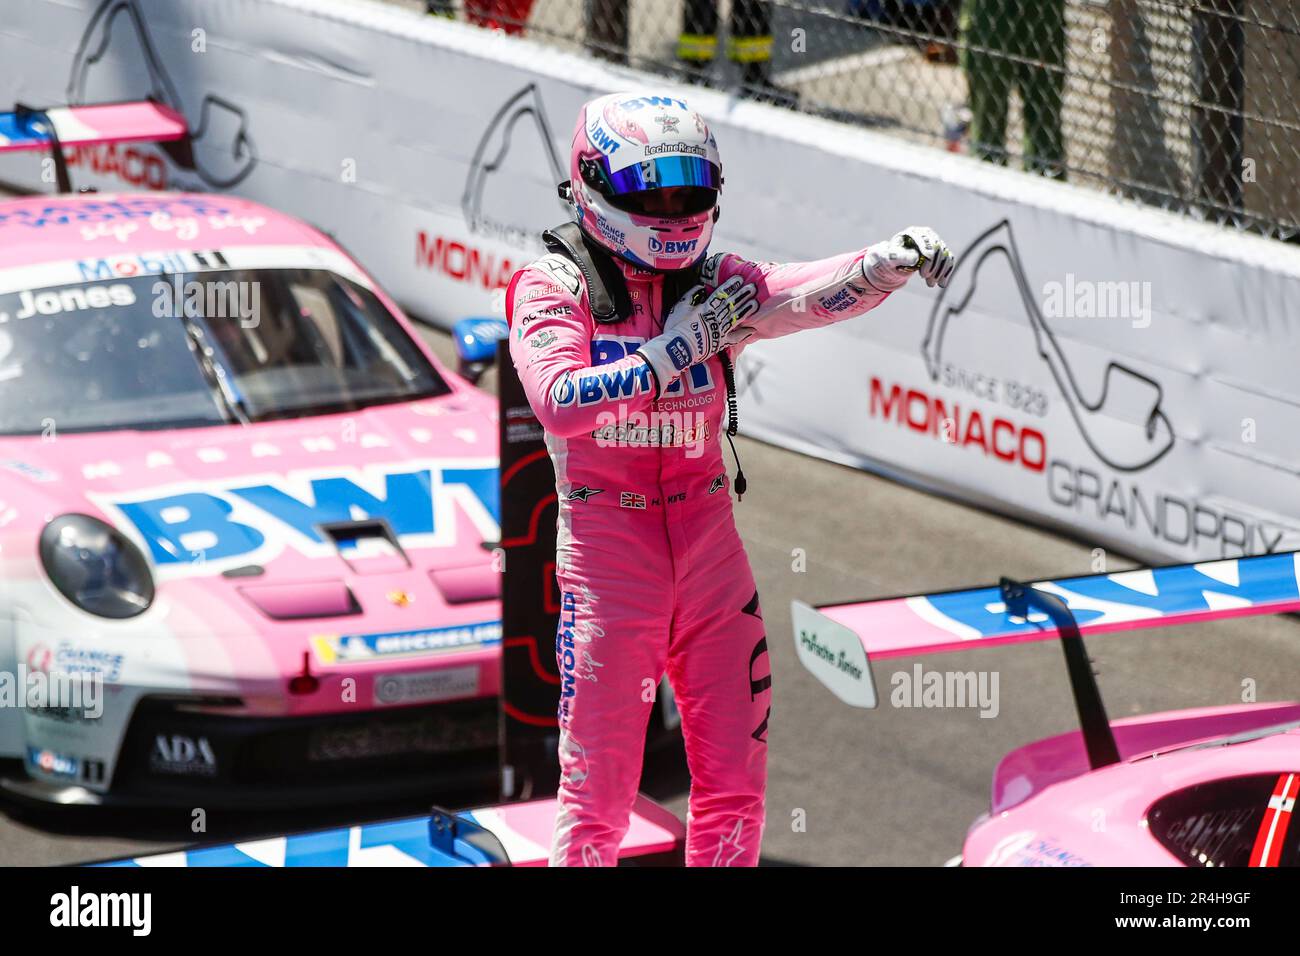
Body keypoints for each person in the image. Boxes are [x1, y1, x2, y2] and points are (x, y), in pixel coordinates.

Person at [506, 91, 956, 867]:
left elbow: (800, 294)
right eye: (654, 192)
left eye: (689, 190)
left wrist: (883, 264)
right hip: (608, 562)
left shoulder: (718, 280)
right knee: (597, 803)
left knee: (736, 788)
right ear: (592, 184)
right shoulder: (551, 286)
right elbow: (558, 402)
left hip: (713, 551)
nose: (675, 208)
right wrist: (676, 350)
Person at [959, 0, 1066, 178]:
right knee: (987, 112)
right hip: (989, 8)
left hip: (1042, 9)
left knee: (1045, 115)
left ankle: (1045, 187)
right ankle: (984, 187)